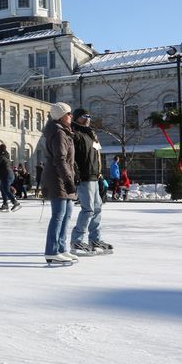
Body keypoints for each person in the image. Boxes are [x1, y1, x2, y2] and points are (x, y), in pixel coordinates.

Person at [69, 108, 111, 256]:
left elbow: (95, 156)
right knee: (88, 210)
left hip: (94, 176)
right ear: (76, 118)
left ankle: (95, 239)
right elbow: (71, 157)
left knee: (97, 208)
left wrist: (99, 173)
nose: (87, 118)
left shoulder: (90, 133)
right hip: (84, 177)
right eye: (83, 116)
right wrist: (76, 174)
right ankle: (77, 241)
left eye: (89, 116)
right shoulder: (75, 133)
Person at [41, 103, 78, 264]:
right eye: (68, 113)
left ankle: (62, 248)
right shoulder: (58, 132)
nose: (71, 116)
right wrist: (68, 180)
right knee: (58, 215)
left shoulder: (64, 131)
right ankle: (52, 251)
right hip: (57, 177)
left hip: (64, 176)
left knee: (67, 213)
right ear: (61, 115)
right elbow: (60, 159)